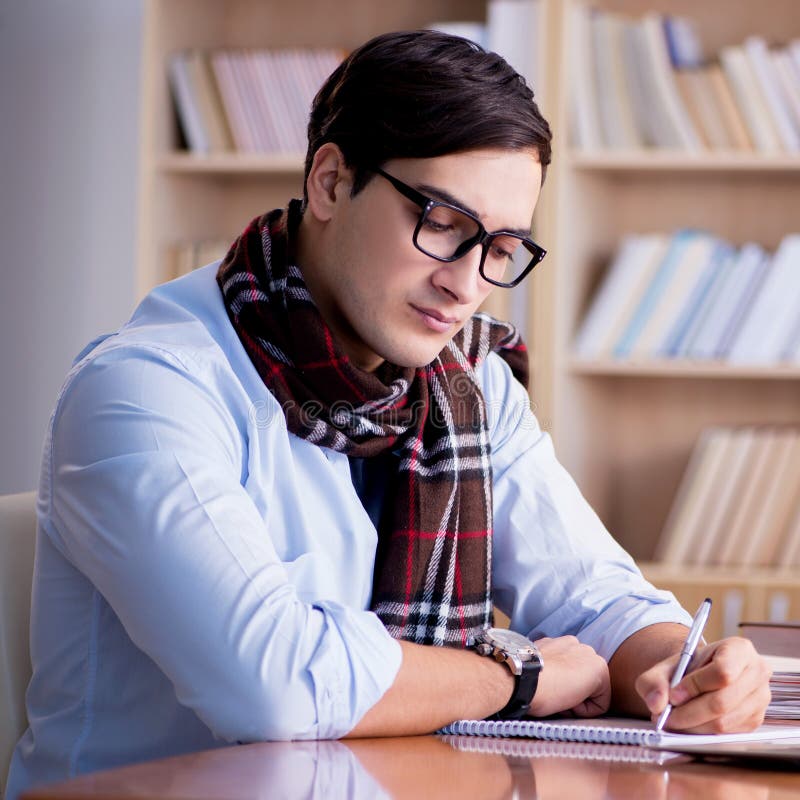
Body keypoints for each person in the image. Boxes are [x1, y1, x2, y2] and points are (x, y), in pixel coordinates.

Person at [5, 29, 769, 800]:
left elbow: (594, 597)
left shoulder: (469, 385)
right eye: (441, 222)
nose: (467, 285)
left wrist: (688, 669)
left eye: (502, 248)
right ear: (331, 182)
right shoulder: (146, 390)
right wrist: (514, 674)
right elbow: (276, 686)